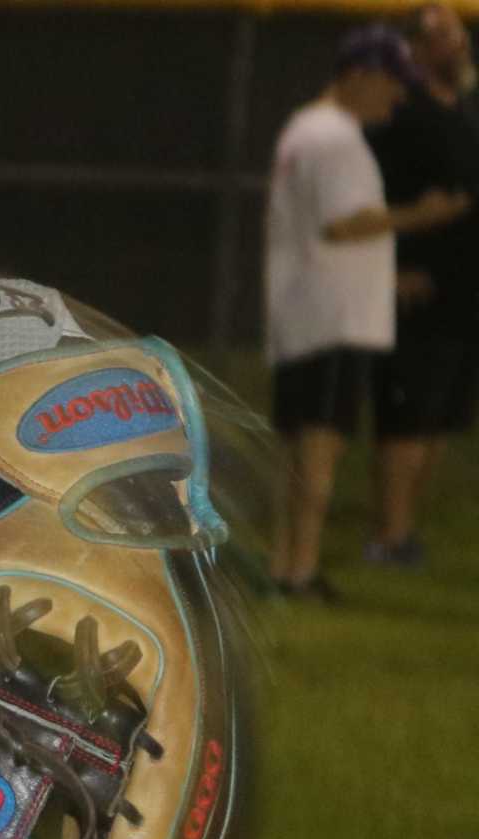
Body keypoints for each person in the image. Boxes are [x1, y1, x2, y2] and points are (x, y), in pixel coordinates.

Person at [263, 24, 467, 600]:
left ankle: (287, 566)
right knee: (319, 451)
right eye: (390, 83)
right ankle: (298, 572)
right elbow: (343, 223)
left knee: (302, 452)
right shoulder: (334, 137)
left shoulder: (311, 128)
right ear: (359, 75)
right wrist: (422, 214)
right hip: (331, 319)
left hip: (310, 312)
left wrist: (387, 273)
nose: (397, 97)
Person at [366, 4, 479, 567]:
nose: (458, 44)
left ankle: (406, 533)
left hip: (462, 290)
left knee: (440, 414)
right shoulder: (400, 114)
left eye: (459, 33)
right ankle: (388, 534)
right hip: (414, 286)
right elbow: (366, 200)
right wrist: (386, 269)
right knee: (406, 415)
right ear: (414, 48)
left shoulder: (462, 109)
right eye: (444, 35)